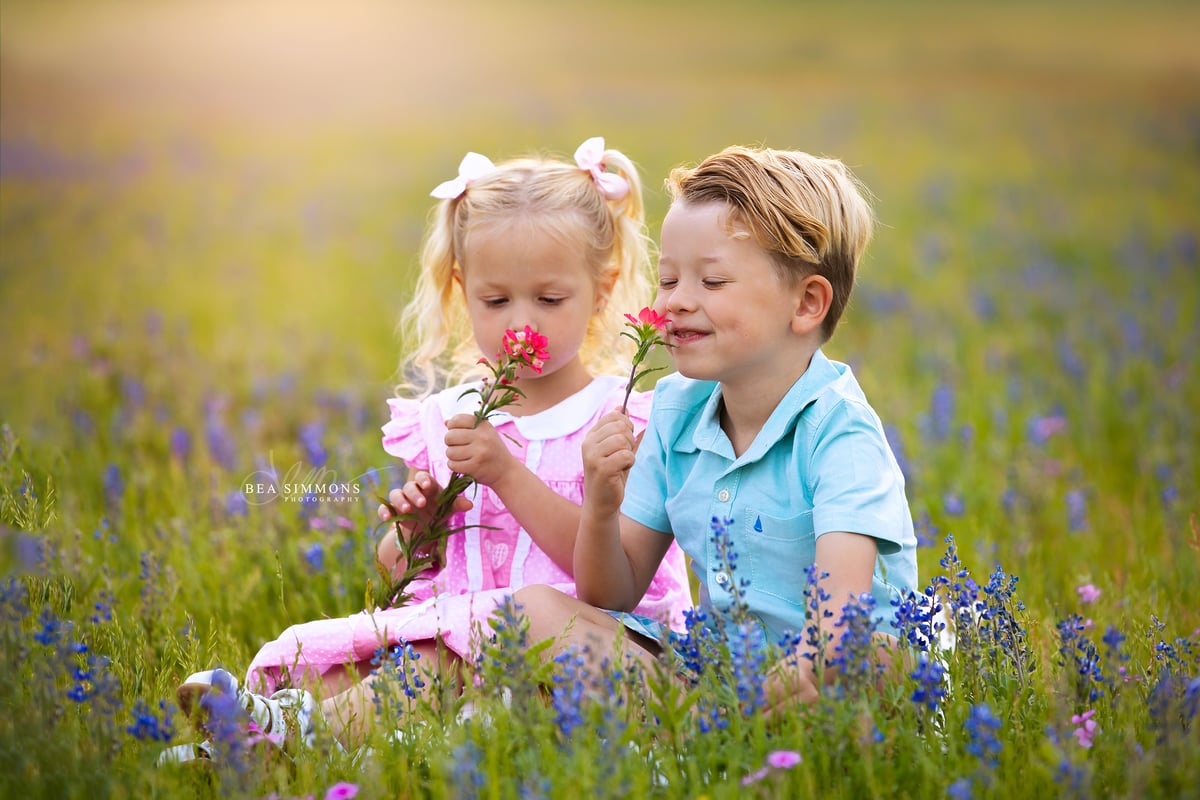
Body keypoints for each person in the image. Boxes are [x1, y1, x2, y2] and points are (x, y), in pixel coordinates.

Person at [167, 138, 693, 758]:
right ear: (463, 291)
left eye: (549, 299)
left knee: (435, 667)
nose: (519, 321)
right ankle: (269, 742)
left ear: (601, 292)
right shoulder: (452, 418)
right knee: (358, 664)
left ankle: (295, 735)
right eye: (495, 301)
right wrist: (417, 534)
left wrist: (506, 473)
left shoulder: (622, 418)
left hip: (588, 652)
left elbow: (606, 579)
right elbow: (406, 576)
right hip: (453, 642)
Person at [513, 145, 918, 712]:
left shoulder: (839, 436)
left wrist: (740, 708)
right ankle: (696, 729)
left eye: (712, 281)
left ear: (806, 303)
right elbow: (613, 594)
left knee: (872, 660)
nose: (676, 302)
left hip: (834, 678)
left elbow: (840, 628)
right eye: (669, 279)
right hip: (725, 678)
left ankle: (699, 736)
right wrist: (601, 505)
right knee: (535, 609)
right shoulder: (676, 411)